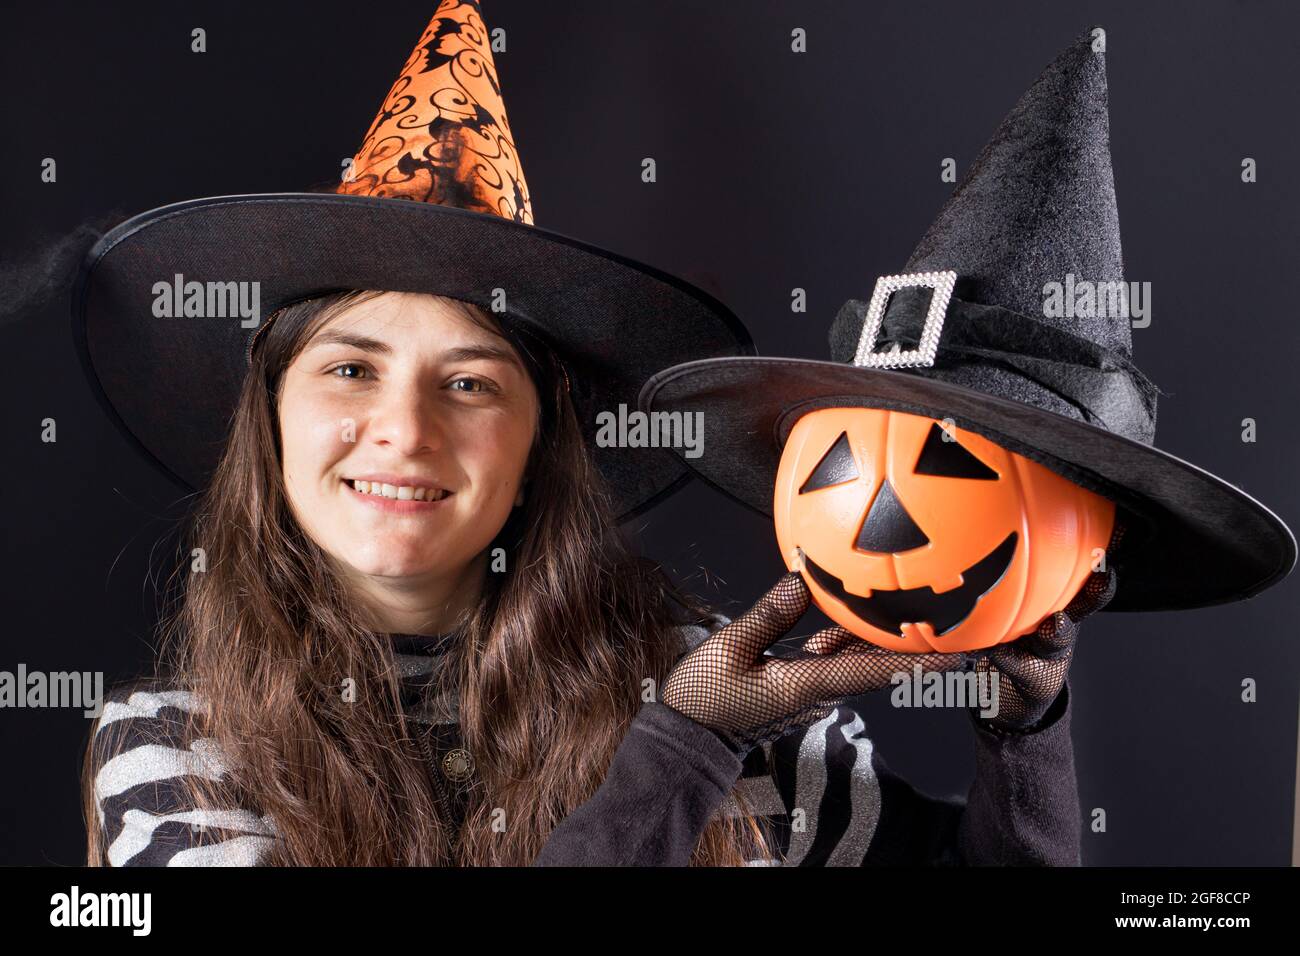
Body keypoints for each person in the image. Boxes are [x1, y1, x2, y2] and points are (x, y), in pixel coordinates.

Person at [75, 2, 1105, 868]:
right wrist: (687, 746)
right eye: (350, 367)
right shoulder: (175, 749)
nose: (403, 428)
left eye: (471, 382)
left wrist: (1026, 730)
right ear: (270, 415)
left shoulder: (711, 681)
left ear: (540, 439)